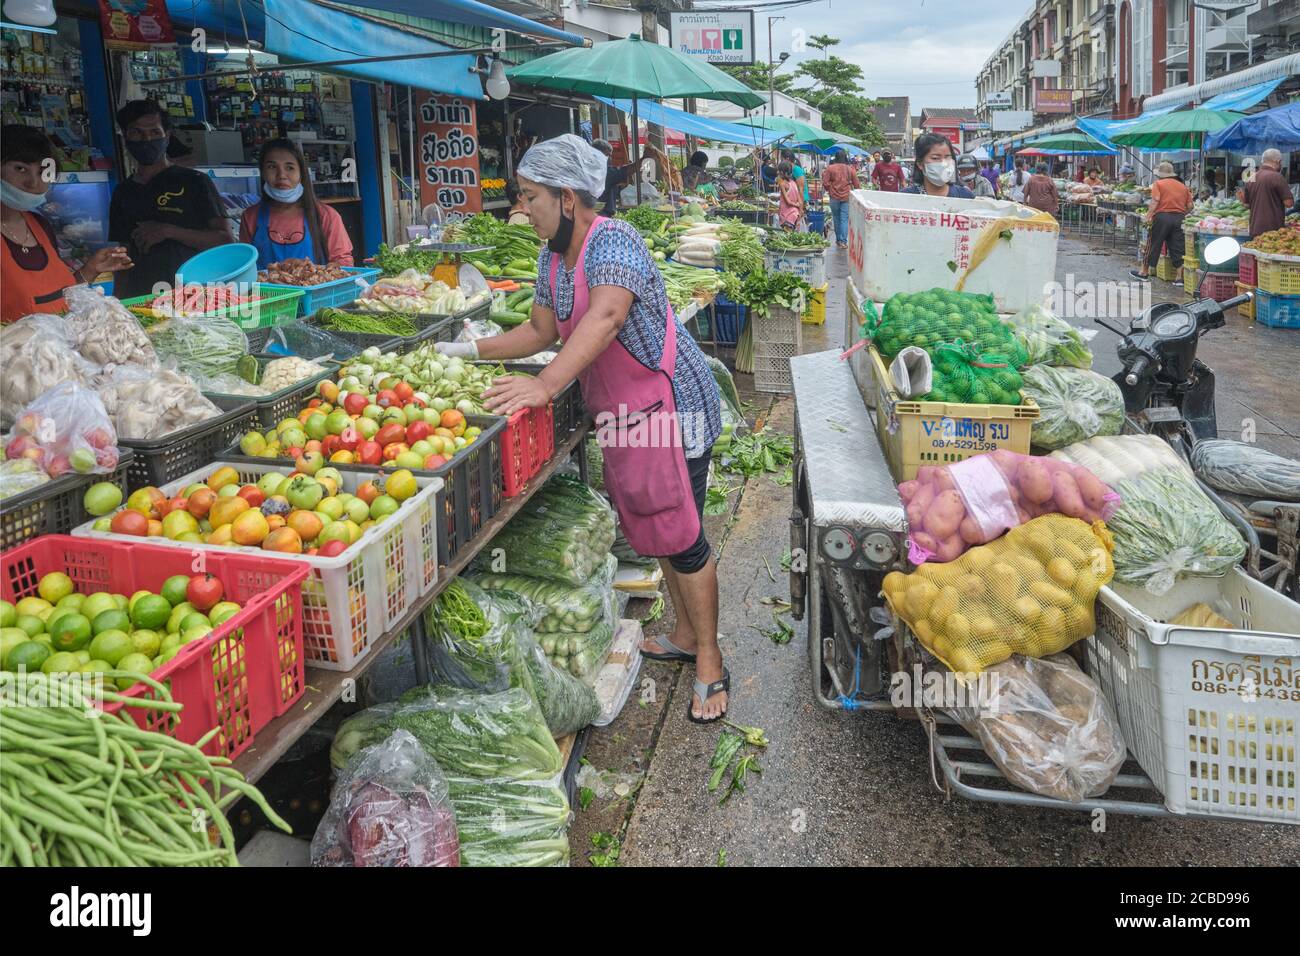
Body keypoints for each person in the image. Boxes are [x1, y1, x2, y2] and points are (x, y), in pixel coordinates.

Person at [432, 135, 729, 722]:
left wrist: (544, 387)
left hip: (673, 406)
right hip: (624, 412)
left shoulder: (613, 241)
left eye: (530, 197)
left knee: (683, 534)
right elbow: (540, 333)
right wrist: (466, 351)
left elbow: (609, 315)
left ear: (568, 198)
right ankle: (686, 635)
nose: (522, 209)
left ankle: (711, 663)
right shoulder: (551, 258)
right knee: (654, 525)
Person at [1, 125, 132, 323]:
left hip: (52, 351)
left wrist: (91, 270)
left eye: (43, 172)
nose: (33, 182)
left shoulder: (39, 226)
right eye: (21, 168)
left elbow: (57, 297)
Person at [108, 99, 231, 298]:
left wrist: (168, 231)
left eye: (154, 132)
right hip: (143, 299)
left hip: (193, 298)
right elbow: (124, 255)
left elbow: (225, 240)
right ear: (126, 139)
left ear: (167, 136)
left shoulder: (195, 182)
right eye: (136, 132)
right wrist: (118, 303)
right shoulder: (123, 192)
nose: (146, 139)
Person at [238, 138, 352, 270]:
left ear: (301, 174)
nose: (281, 175)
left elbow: (343, 264)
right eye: (272, 167)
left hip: (317, 291)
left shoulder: (326, 216)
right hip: (265, 291)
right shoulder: (251, 217)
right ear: (263, 173)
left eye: (290, 168)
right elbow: (245, 267)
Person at [1131, 160, 1192, 283]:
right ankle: (1179, 278)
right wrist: (1181, 214)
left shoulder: (1158, 184)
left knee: (1153, 243)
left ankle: (1144, 272)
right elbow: (1190, 206)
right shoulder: (1183, 186)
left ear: (1160, 174)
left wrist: (1148, 216)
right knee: (1178, 246)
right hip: (1179, 218)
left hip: (1162, 217)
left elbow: (1155, 201)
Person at [1237, 148, 1295, 239]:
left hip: (1254, 228)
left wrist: (1241, 199)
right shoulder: (1277, 177)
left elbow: (1247, 205)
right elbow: (1289, 203)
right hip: (1273, 230)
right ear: (1278, 161)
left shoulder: (1251, 177)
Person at [901, 133, 974, 199]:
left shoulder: (965, 196)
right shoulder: (905, 197)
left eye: (947, 157)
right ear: (920, 163)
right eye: (935, 158)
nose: (943, 163)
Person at [821, 150, 860, 247]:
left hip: (834, 197)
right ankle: (843, 241)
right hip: (846, 197)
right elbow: (857, 185)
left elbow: (825, 183)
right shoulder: (850, 169)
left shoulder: (830, 168)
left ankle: (838, 240)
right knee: (844, 219)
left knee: (836, 218)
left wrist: (830, 189)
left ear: (836, 158)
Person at [776, 162, 803, 230]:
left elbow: (788, 202)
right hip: (795, 214)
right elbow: (800, 200)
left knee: (786, 237)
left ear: (781, 172)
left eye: (778, 171)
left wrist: (796, 205)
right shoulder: (794, 183)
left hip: (786, 215)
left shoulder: (782, 184)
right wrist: (800, 210)